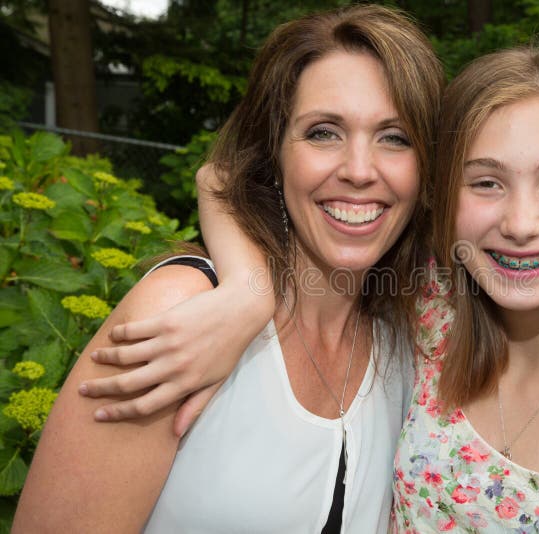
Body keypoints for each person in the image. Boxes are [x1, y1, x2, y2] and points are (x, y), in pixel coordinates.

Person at [75, 45, 539, 531]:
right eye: (486, 181)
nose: (521, 224)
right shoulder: (435, 318)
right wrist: (249, 293)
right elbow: (221, 174)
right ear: (442, 199)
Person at [13, 5, 443, 532]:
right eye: (323, 132)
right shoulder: (182, 311)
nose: (358, 170)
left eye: (394, 137)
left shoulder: (410, 337)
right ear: (275, 152)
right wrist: (250, 293)